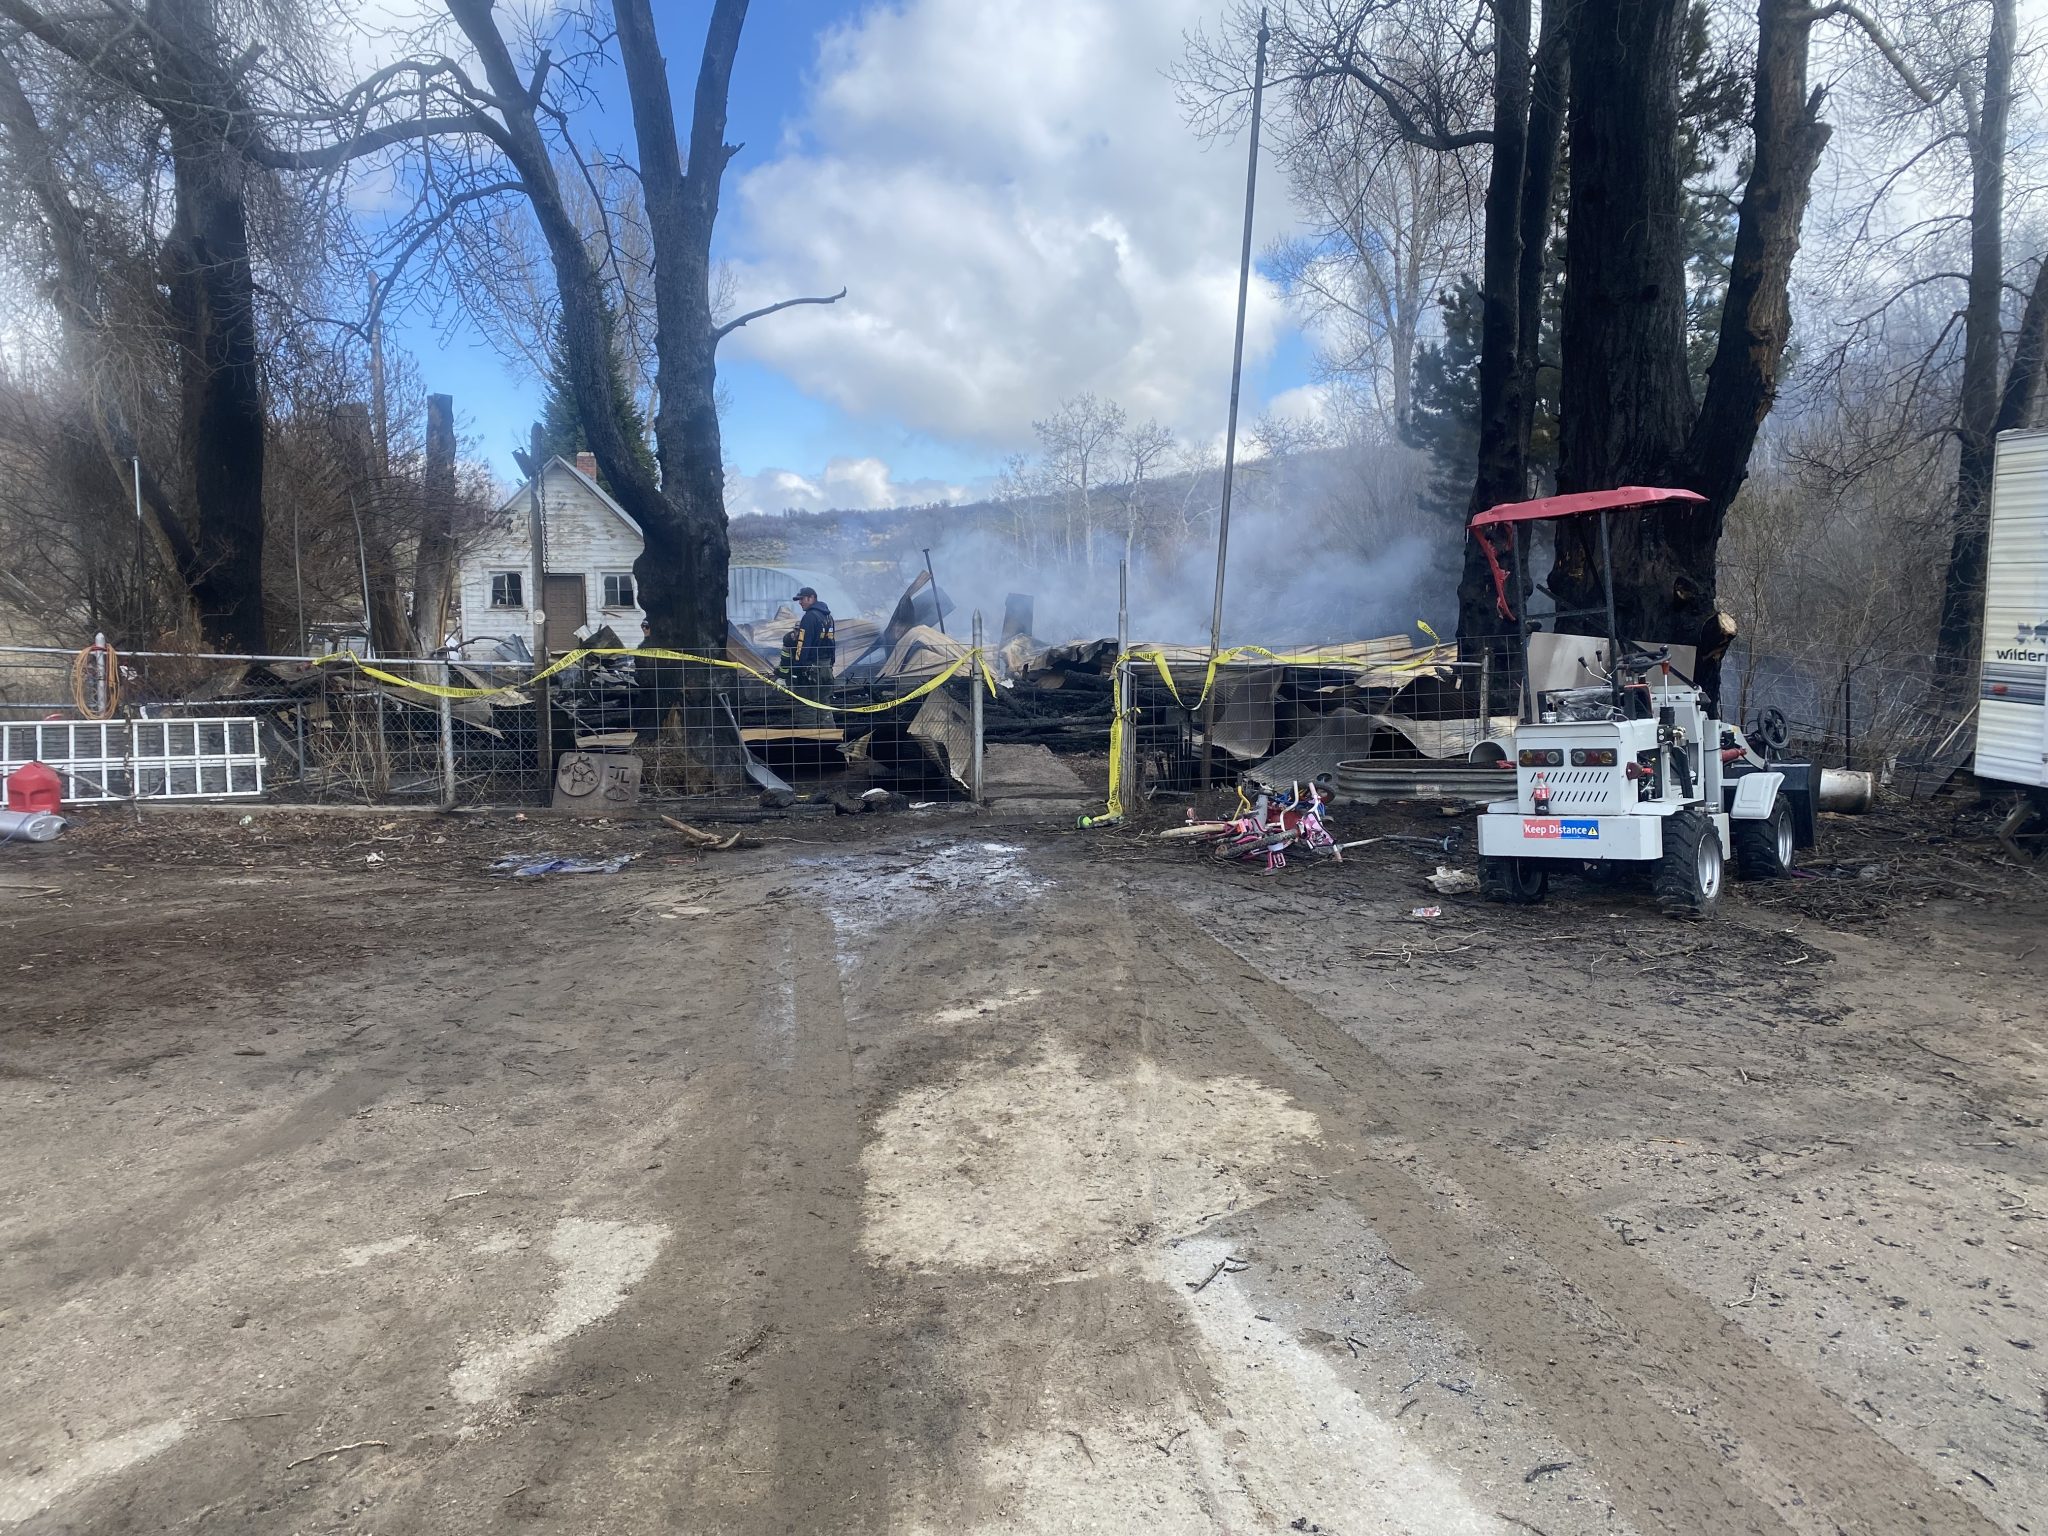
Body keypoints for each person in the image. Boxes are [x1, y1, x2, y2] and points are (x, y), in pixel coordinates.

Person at [789, 585, 836, 698]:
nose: (800, 602)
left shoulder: (809, 617)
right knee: (824, 703)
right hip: (826, 667)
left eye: (802, 599)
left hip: (812, 668)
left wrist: (798, 668)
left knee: (807, 706)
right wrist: (831, 662)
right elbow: (832, 641)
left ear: (811, 598)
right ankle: (826, 717)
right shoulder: (828, 617)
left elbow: (802, 644)